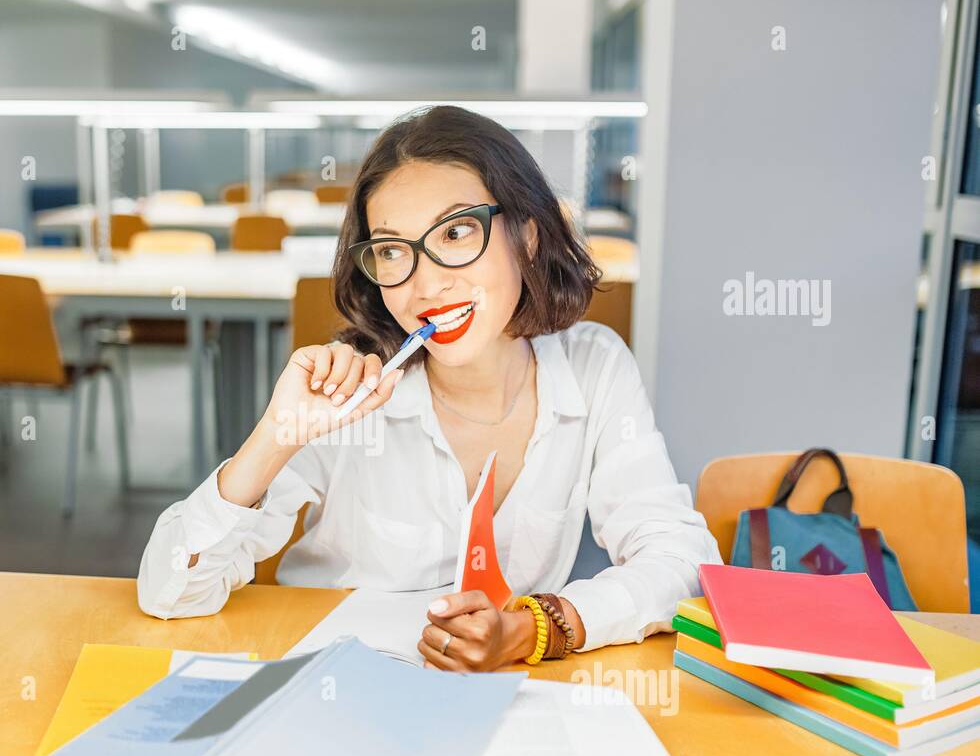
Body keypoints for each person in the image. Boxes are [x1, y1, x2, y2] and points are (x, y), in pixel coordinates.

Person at [138, 105, 721, 671]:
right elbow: (171, 594)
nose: (428, 283)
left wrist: (533, 628)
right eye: (392, 250)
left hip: (492, 696)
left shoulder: (593, 366)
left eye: (457, 232)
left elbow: (681, 562)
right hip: (330, 693)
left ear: (529, 235)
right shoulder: (350, 392)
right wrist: (276, 435)